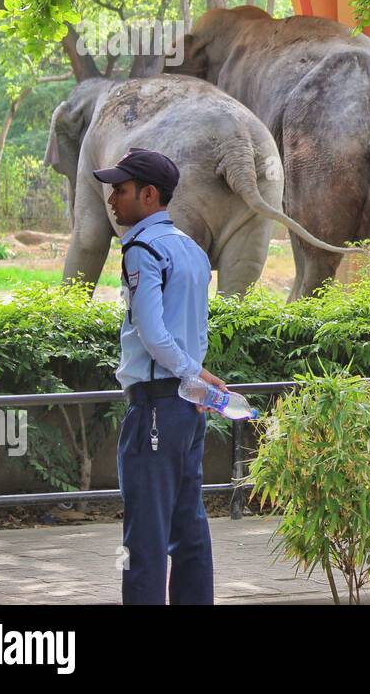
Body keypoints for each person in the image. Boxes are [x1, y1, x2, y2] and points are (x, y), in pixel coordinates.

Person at [93, 148, 224, 605]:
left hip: (154, 407)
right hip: (187, 405)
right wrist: (197, 375)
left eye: (121, 190)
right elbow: (194, 333)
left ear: (149, 195)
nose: (112, 199)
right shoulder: (191, 249)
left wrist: (192, 372)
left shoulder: (142, 248)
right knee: (189, 528)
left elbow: (152, 332)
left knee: (144, 536)